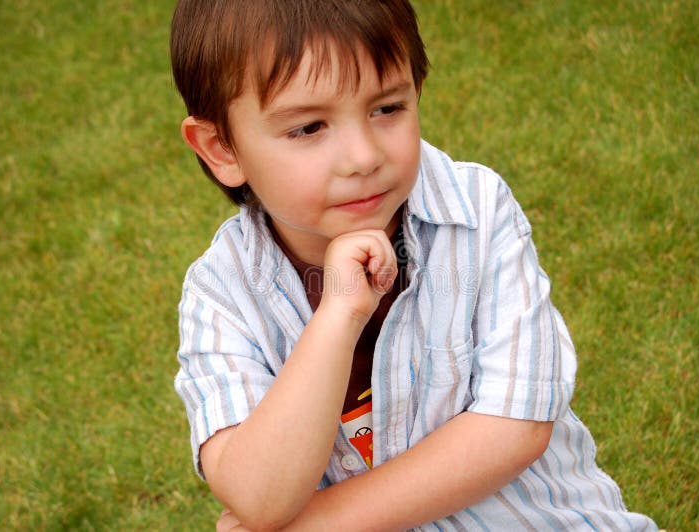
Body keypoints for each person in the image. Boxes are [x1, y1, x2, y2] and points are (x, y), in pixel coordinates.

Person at [171, 1, 658, 530]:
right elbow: (258, 495)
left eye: (387, 109)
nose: (363, 155)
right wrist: (338, 315)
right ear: (221, 147)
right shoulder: (221, 293)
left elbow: (515, 425)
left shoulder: (477, 213)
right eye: (309, 127)